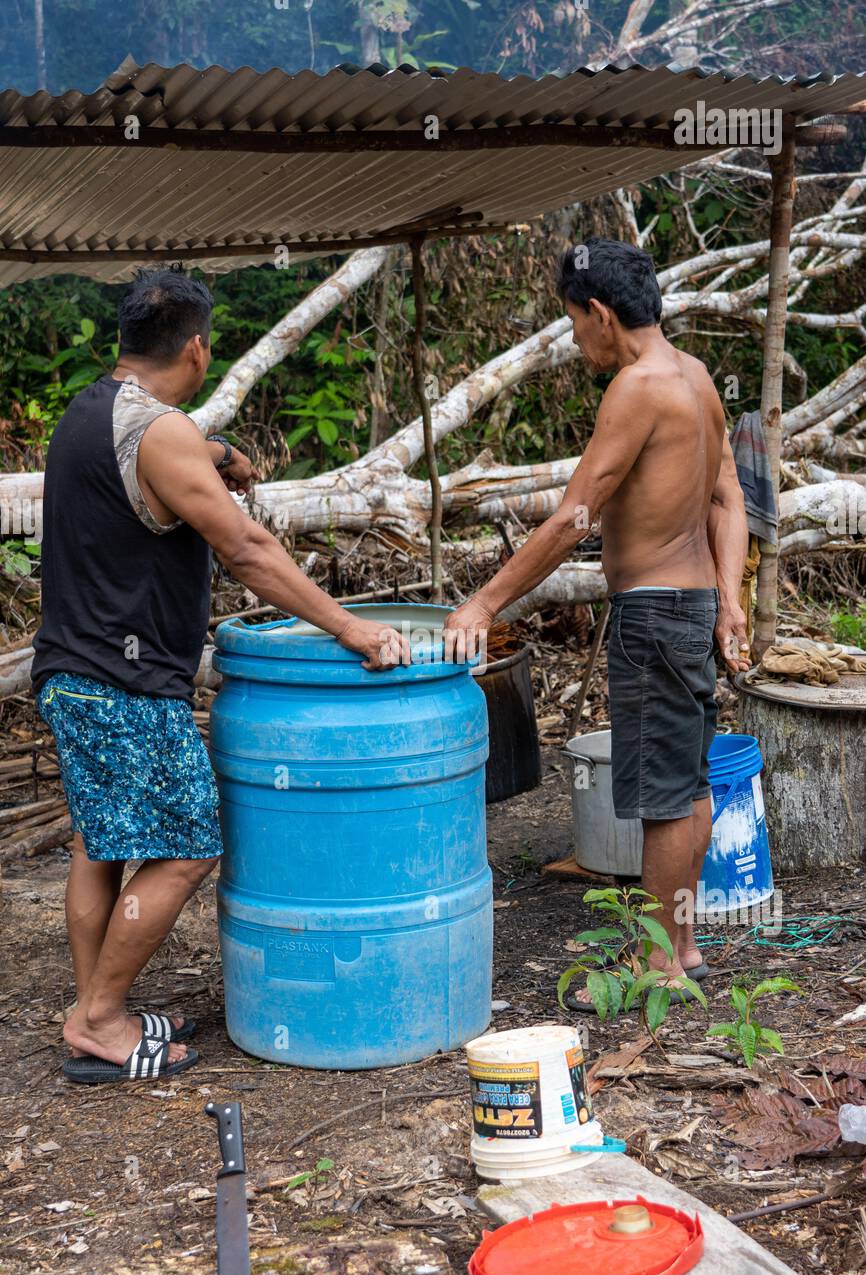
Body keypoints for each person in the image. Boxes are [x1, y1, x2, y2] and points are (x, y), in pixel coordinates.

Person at [31, 267, 408, 1083]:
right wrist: (350, 627)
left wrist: (220, 452)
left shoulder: (92, 411)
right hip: (124, 684)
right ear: (197, 350)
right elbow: (247, 549)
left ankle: (92, 1003)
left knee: (100, 848)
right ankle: (100, 1020)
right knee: (188, 848)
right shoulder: (161, 434)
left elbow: (158, 453)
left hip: (71, 672)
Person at [444, 237, 750, 1000]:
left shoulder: (640, 387)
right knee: (691, 785)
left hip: (655, 617)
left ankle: (651, 966)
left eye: (575, 322)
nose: (578, 337)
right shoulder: (698, 378)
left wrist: (485, 601)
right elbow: (728, 501)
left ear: (602, 314)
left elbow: (575, 516)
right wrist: (731, 598)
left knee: (659, 799)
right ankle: (680, 947)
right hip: (693, 606)